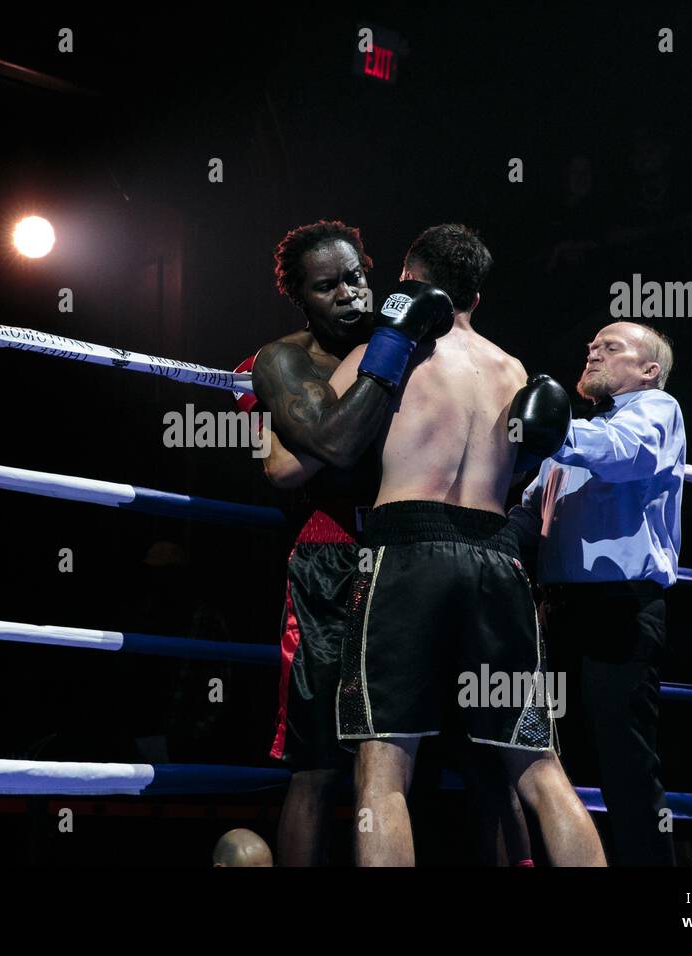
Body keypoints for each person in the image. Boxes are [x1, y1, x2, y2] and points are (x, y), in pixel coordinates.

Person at [277, 223, 605, 866]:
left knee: (383, 771)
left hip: (406, 552)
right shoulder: (514, 370)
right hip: (498, 558)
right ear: (477, 298)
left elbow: (309, 453)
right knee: (538, 767)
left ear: (407, 281)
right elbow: (516, 480)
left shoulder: (392, 348)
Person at [238, 219, 453, 866]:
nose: (350, 293)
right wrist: (387, 360)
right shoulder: (282, 360)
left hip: (411, 552)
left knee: (406, 757)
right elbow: (301, 461)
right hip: (329, 561)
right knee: (318, 763)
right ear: (301, 297)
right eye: (328, 285)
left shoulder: (412, 346)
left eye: (357, 276)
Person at [509, 321, 684, 865]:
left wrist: (552, 430)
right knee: (541, 756)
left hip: (620, 609)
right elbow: (528, 509)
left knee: (625, 763)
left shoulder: (656, 409)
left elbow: (624, 453)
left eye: (610, 348)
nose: (593, 353)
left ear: (648, 370)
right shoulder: (572, 439)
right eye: (590, 346)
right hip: (557, 611)